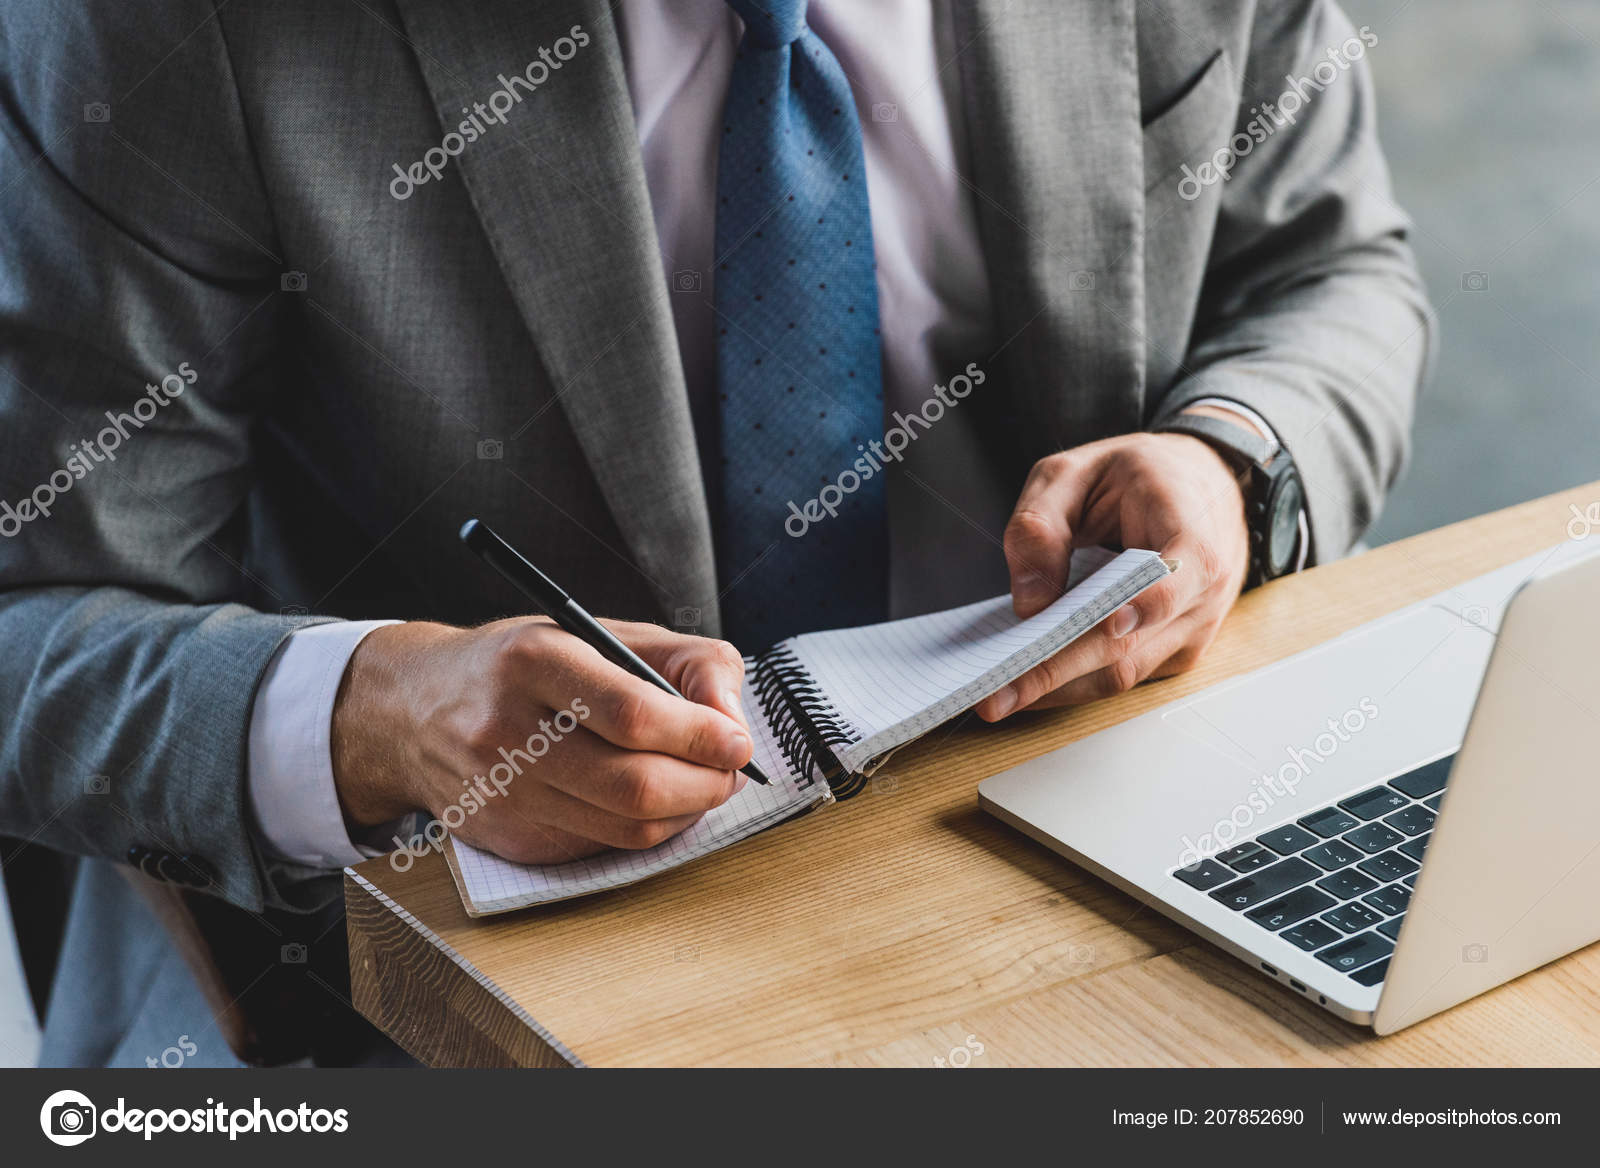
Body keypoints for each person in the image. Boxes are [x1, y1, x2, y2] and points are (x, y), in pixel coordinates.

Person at [0, 0, 1430, 1066]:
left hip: (1086, 832)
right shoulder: (161, 32)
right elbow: (34, 622)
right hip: (424, 981)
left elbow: (1328, 269)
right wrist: (378, 714)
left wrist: (1234, 460)